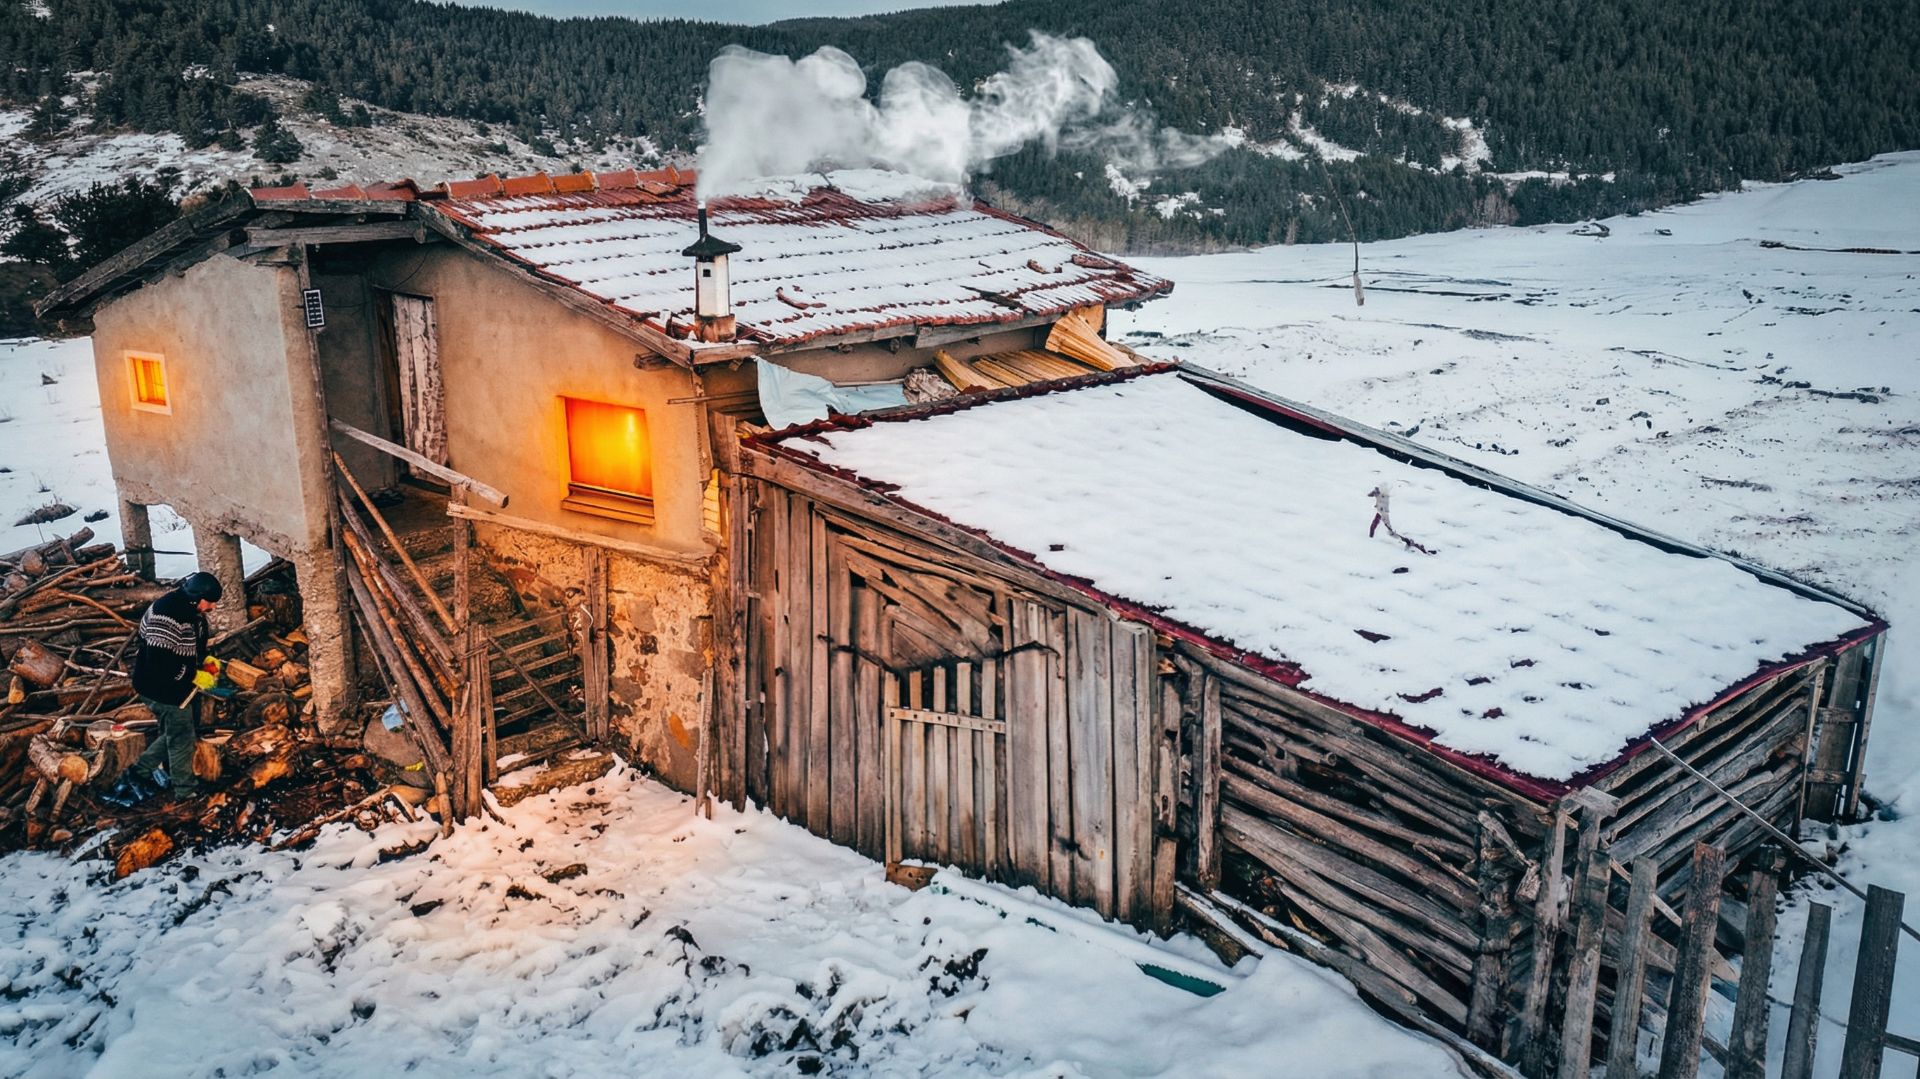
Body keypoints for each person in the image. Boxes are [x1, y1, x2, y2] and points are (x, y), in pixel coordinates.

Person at [119, 571, 223, 802]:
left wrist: (206, 661)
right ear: (197, 597)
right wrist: (193, 675)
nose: (213, 608)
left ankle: (138, 773)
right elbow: (160, 665)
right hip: (159, 688)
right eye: (211, 602)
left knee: (175, 732)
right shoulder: (166, 617)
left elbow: (195, 644)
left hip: (175, 686)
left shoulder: (191, 611)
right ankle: (186, 791)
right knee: (181, 738)